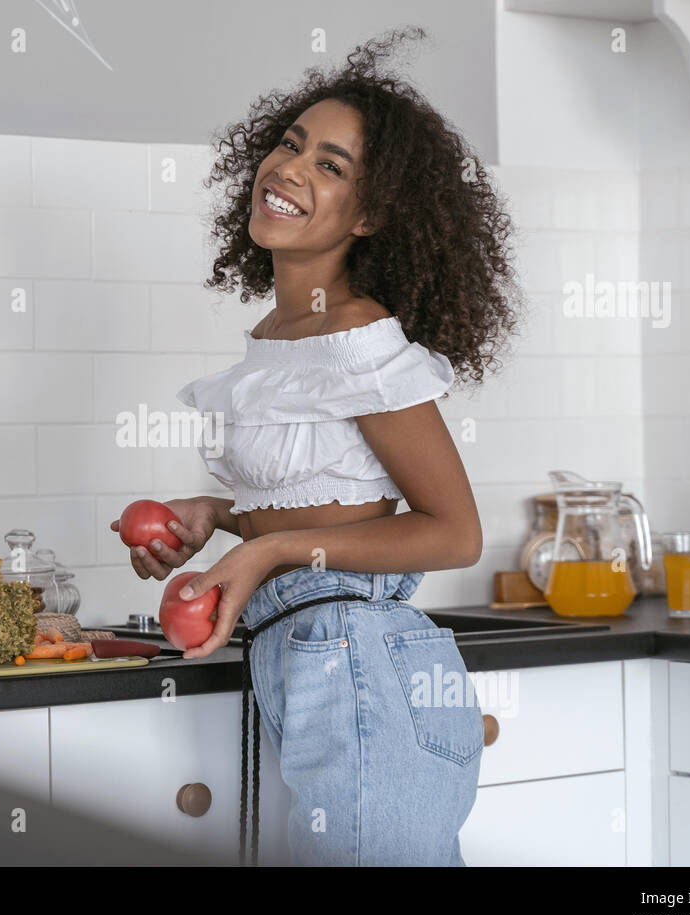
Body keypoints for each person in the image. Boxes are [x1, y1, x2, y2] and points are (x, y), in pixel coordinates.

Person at [111, 29, 521, 866]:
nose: (290, 168)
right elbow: (336, 503)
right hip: (308, 658)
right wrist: (220, 518)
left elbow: (453, 531)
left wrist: (268, 555)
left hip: (360, 660)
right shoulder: (283, 333)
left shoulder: (358, 336)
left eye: (331, 165)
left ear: (370, 215)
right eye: (291, 143)